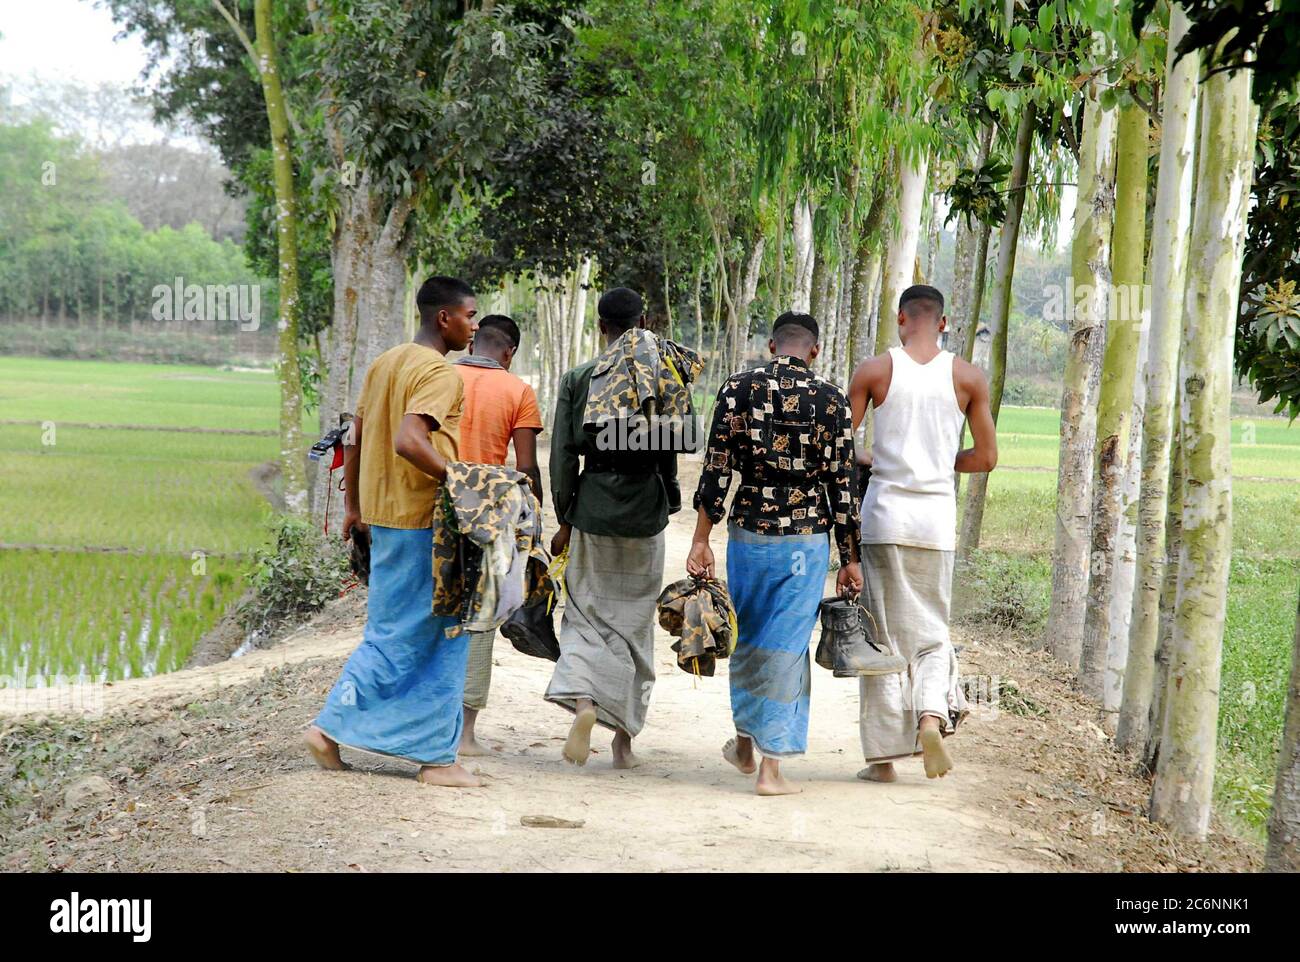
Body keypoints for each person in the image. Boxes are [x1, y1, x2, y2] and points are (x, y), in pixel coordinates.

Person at [304, 275, 482, 788]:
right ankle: (433, 759)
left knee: (392, 629)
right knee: (442, 633)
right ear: (443, 317)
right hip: (426, 521)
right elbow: (408, 440)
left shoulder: (385, 363)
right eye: (469, 316)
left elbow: (354, 439)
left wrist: (353, 507)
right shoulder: (441, 374)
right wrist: (463, 480)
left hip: (384, 517)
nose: (473, 326)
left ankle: (345, 734)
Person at [687, 312, 864, 796]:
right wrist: (850, 558)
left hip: (749, 535)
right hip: (805, 542)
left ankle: (744, 743)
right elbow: (843, 487)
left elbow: (717, 468)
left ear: (771, 346)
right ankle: (771, 768)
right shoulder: (832, 400)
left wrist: (701, 538)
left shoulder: (737, 389)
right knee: (787, 646)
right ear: (815, 350)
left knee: (749, 638)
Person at [846, 284, 997, 782]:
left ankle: (884, 761)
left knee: (882, 637)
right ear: (945, 322)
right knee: (932, 635)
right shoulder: (968, 376)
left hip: (884, 517)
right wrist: (938, 462)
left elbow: (838, 446)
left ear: (900, 319)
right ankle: (931, 716)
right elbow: (986, 458)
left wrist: (878, 459)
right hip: (935, 522)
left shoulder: (874, 371)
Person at [545, 287, 682, 769]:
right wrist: (667, 497)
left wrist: (565, 517)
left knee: (586, 615)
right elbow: (671, 446)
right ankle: (623, 742)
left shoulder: (579, 378)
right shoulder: (663, 373)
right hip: (645, 511)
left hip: (595, 508)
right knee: (634, 623)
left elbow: (562, 456)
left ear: (601, 325)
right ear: (643, 320)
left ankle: (584, 703)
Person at [451, 314, 544, 756]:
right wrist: (539, 519)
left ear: (474, 342)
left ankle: (432, 721)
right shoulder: (517, 390)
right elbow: (525, 467)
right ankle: (466, 735)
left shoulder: (442, 376)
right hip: (488, 516)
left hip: (436, 505)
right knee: (481, 618)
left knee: (438, 613)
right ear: (510, 352)